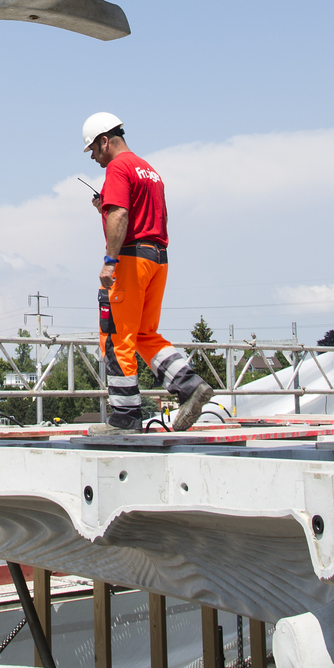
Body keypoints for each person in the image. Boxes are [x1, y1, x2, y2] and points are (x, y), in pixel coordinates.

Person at [81, 112, 214, 432]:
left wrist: (110, 261)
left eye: (94, 150)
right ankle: (189, 385)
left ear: (104, 141)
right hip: (157, 258)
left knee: (116, 337)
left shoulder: (118, 167)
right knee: (143, 334)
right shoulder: (149, 170)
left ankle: (125, 418)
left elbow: (121, 215)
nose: (94, 158)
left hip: (129, 260)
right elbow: (143, 214)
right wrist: (105, 209)